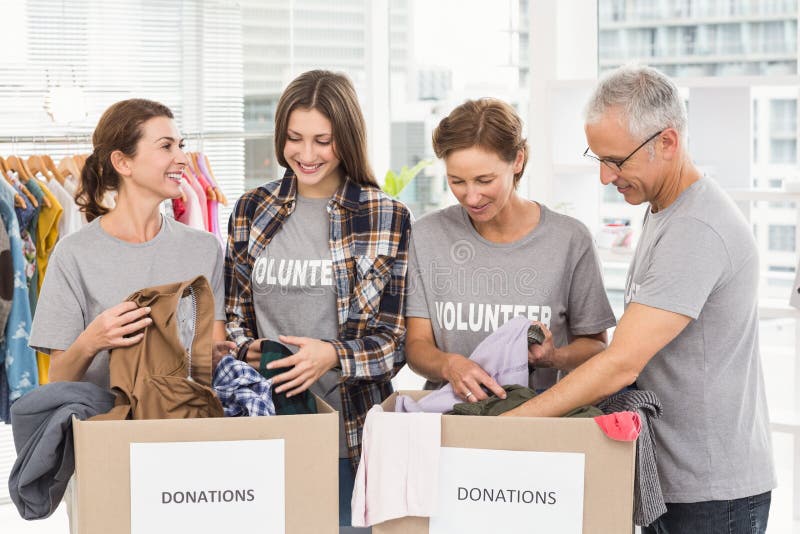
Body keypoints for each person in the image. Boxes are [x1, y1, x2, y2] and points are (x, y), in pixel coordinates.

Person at [503, 65, 776, 533]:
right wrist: (557, 358)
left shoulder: (695, 229)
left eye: (616, 160)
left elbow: (621, 365)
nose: (605, 177)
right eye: (598, 159)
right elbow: (639, 349)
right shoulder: (664, 210)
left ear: (666, 142)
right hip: (672, 480)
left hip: (711, 495)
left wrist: (508, 426)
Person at [28, 98, 235, 534]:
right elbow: (57, 380)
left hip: (192, 449)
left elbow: (213, 357)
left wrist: (224, 355)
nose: (182, 159)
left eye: (181, 145)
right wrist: (94, 338)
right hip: (108, 451)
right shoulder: (73, 255)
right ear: (122, 162)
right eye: (166, 146)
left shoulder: (203, 249)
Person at [224, 69, 412, 530]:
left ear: (346, 138)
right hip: (263, 428)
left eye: (322, 141)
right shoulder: (251, 210)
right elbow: (233, 315)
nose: (306, 155)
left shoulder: (386, 216)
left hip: (352, 438)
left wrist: (331, 356)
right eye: (295, 138)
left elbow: (396, 342)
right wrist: (248, 349)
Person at [404, 97, 616, 403]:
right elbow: (416, 346)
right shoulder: (428, 236)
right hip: (450, 420)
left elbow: (596, 346)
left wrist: (553, 357)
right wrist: (449, 365)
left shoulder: (570, 240)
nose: (471, 197)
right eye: (457, 181)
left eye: (484, 180)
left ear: (517, 160)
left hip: (539, 419)